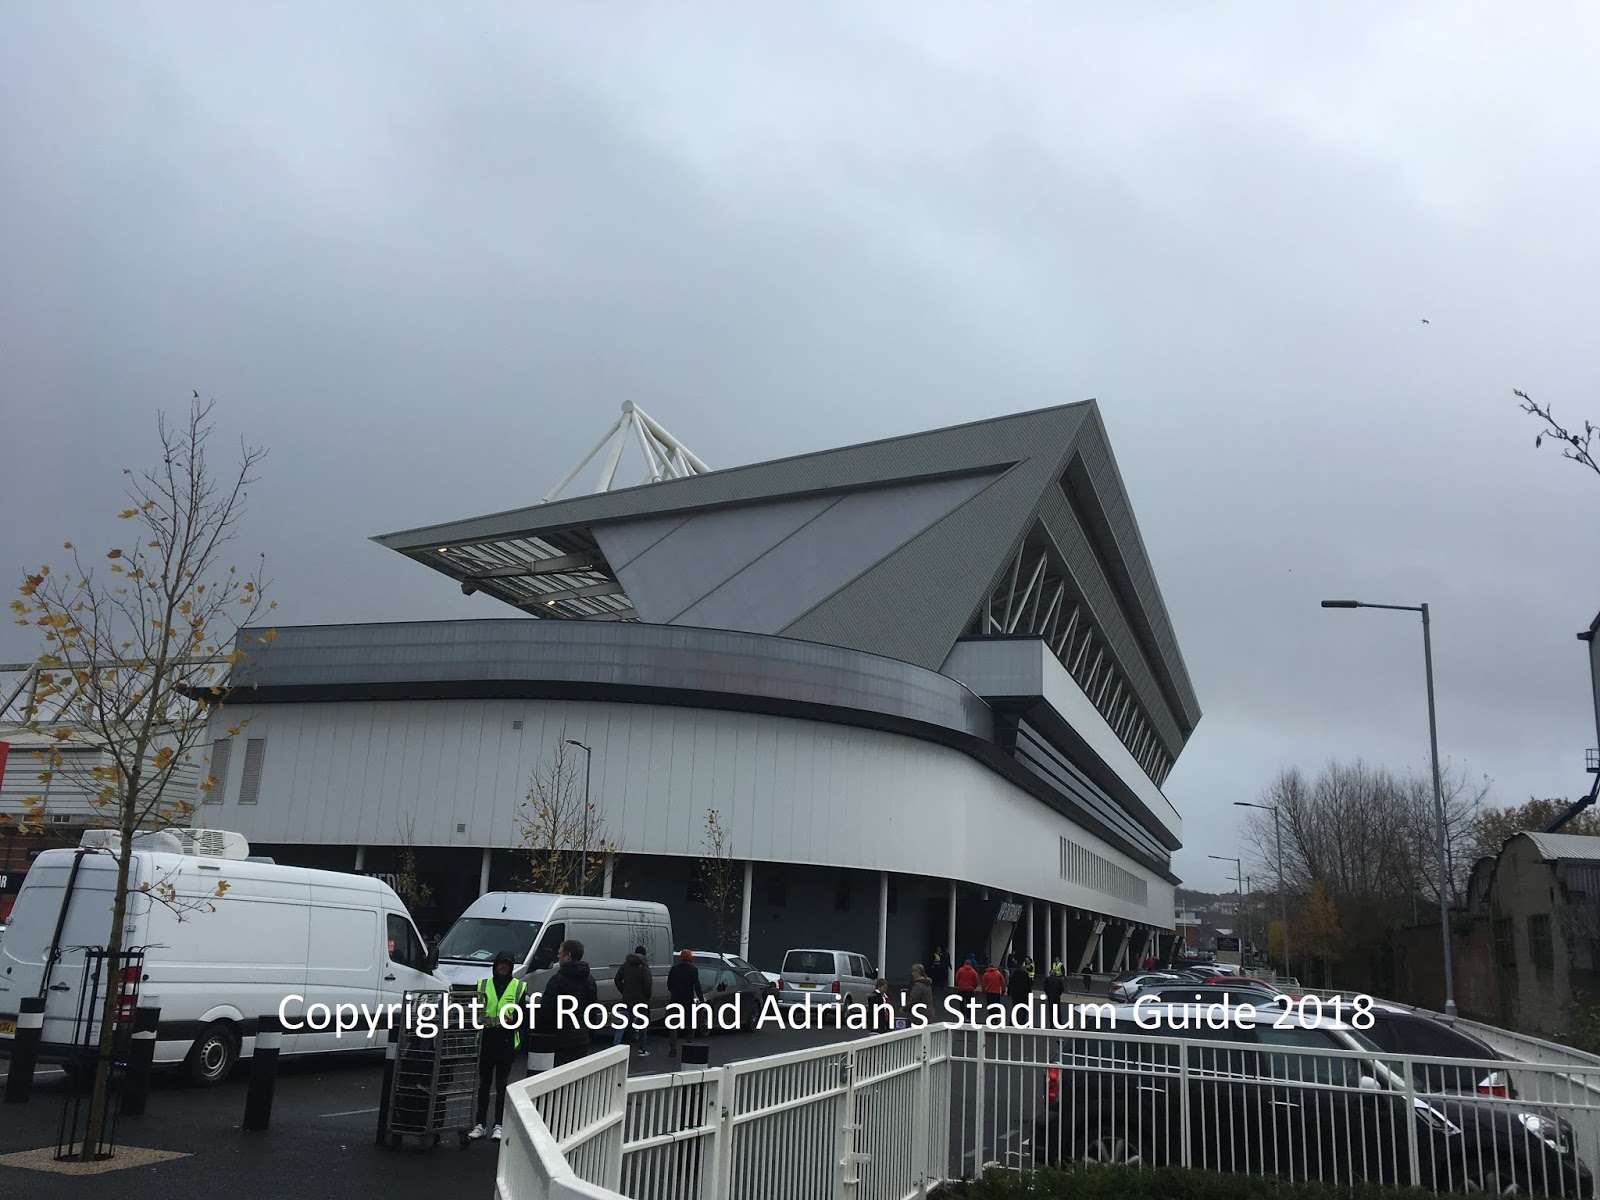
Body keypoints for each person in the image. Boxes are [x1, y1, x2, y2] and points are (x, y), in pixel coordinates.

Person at [469, 951, 527, 1142]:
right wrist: (479, 1019)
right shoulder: (483, 985)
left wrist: (514, 1019)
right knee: (484, 1085)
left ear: (511, 967)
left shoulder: (518, 987)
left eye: (507, 964)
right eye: (501, 963)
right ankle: (480, 1124)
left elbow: (524, 1016)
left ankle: (498, 1125)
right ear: (495, 965)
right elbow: (473, 1011)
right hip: (487, 1038)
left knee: (501, 1085)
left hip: (506, 1039)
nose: (503, 967)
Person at [540, 938, 598, 1066]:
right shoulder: (589, 979)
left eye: (560, 953)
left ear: (568, 956)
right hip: (581, 1038)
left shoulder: (557, 980)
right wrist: (589, 1034)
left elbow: (546, 1011)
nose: (558, 956)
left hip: (561, 1039)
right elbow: (592, 1010)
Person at [612, 944, 653, 1056]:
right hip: (641, 1001)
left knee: (622, 1023)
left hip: (627, 999)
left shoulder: (626, 965)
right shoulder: (644, 967)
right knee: (642, 1025)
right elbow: (647, 984)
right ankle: (642, 1049)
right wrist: (647, 996)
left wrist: (624, 991)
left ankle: (615, 1047)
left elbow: (617, 979)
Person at [666, 948, 704, 1058]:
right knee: (690, 1023)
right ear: (690, 958)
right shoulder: (693, 970)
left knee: (673, 1024)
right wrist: (701, 1000)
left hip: (675, 999)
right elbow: (697, 986)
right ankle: (689, 1045)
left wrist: (673, 992)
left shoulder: (674, 969)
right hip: (688, 1000)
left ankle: (673, 1049)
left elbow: (669, 984)